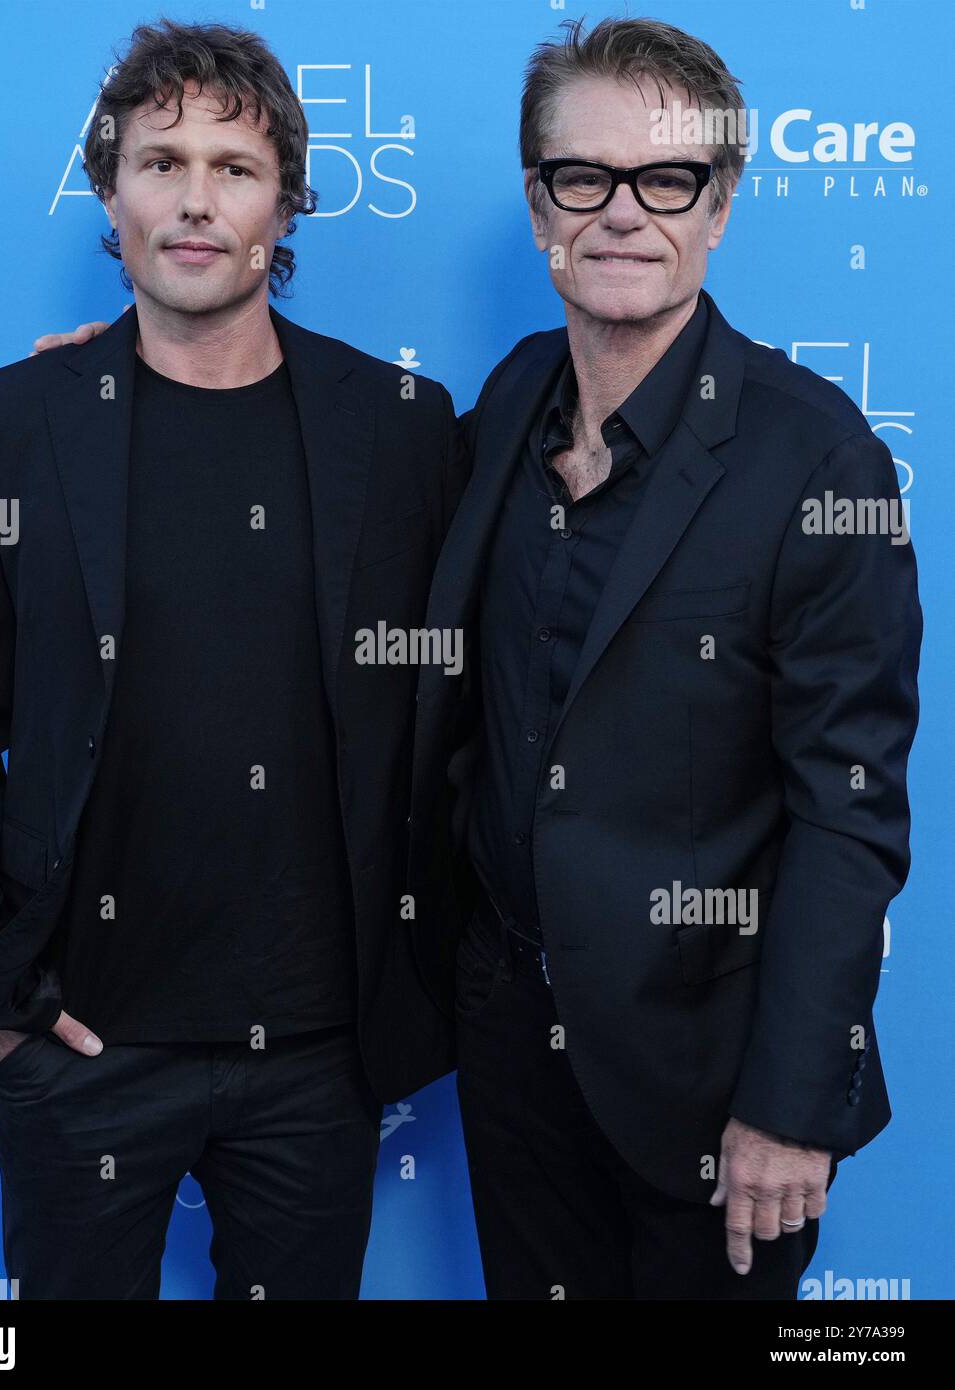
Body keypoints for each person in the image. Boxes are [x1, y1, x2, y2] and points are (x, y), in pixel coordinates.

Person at [0, 19, 465, 1301]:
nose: (195, 199)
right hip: (78, 1040)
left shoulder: (404, 428)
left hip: (321, 1050)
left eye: (234, 166)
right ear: (109, 190)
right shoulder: (14, 421)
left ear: (288, 201)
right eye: (161, 162)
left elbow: (463, 704)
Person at [408, 15, 922, 1300]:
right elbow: (324, 463)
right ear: (538, 203)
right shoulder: (506, 403)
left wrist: (791, 1106)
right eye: (582, 177)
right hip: (511, 1041)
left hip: (715, 1075)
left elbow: (845, 817)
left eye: (667, 179)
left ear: (719, 205)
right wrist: (139, 369)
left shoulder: (818, 460)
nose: (621, 213)